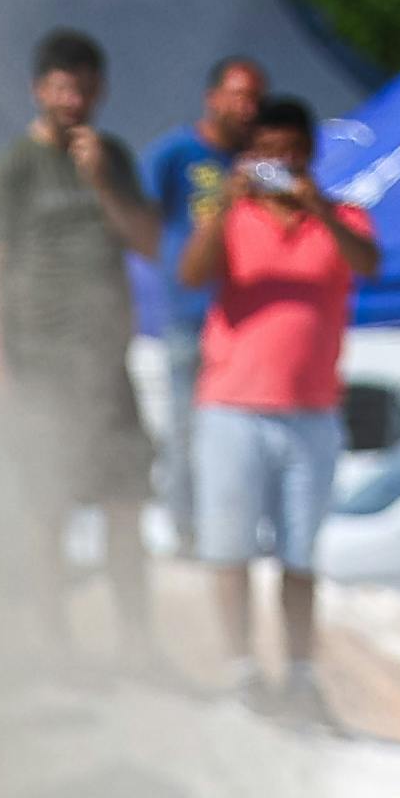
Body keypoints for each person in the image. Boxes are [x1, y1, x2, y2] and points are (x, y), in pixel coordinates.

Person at [174, 91, 375, 716]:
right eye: (263, 154)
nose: (275, 165)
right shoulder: (233, 219)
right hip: (232, 405)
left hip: (312, 410)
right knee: (228, 545)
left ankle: (300, 672)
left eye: (285, 154)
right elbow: (189, 275)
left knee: (298, 552)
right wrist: (226, 204)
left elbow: (367, 264)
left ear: (308, 154)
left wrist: (321, 209)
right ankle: (240, 668)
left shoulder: (343, 217)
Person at [0, 24, 167, 661]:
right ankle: (53, 641)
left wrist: (103, 181)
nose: (72, 102)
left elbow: (147, 243)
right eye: (61, 89)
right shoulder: (13, 169)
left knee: (124, 503)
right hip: (40, 366)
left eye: (83, 90)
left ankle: (136, 641)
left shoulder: (114, 158)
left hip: (105, 366)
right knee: (46, 508)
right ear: (39, 90)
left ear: (100, 91)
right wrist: (0, 371)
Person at [142, 55, 273, 523]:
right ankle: (185, 533)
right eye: (239, 95)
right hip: (191, 316)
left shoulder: (262, 160)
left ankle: (235, 530)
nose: (248, 108)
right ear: (213, 98)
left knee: (243, 434)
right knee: (185, 431)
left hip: (248, 321)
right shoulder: (176, 153)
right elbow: (140, 218)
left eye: (256, 98)